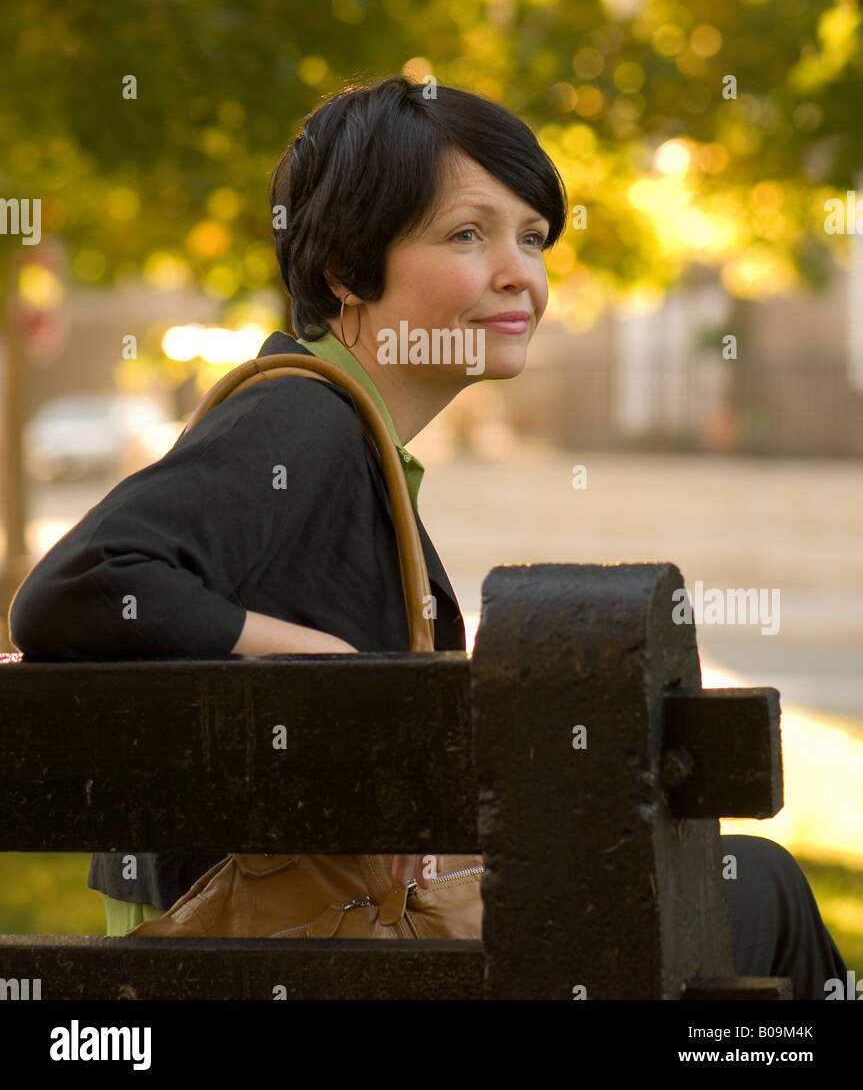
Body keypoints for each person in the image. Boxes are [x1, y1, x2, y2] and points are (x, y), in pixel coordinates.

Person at [8, 75, 852, 997]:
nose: (517, 273)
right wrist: (315, 660)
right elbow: (75, 587)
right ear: (345, 272)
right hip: (310, 964)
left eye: (530, 238)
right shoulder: (302, 421)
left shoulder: (345, 442)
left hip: (304, 956)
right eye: (467, 234)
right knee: (759, 888)